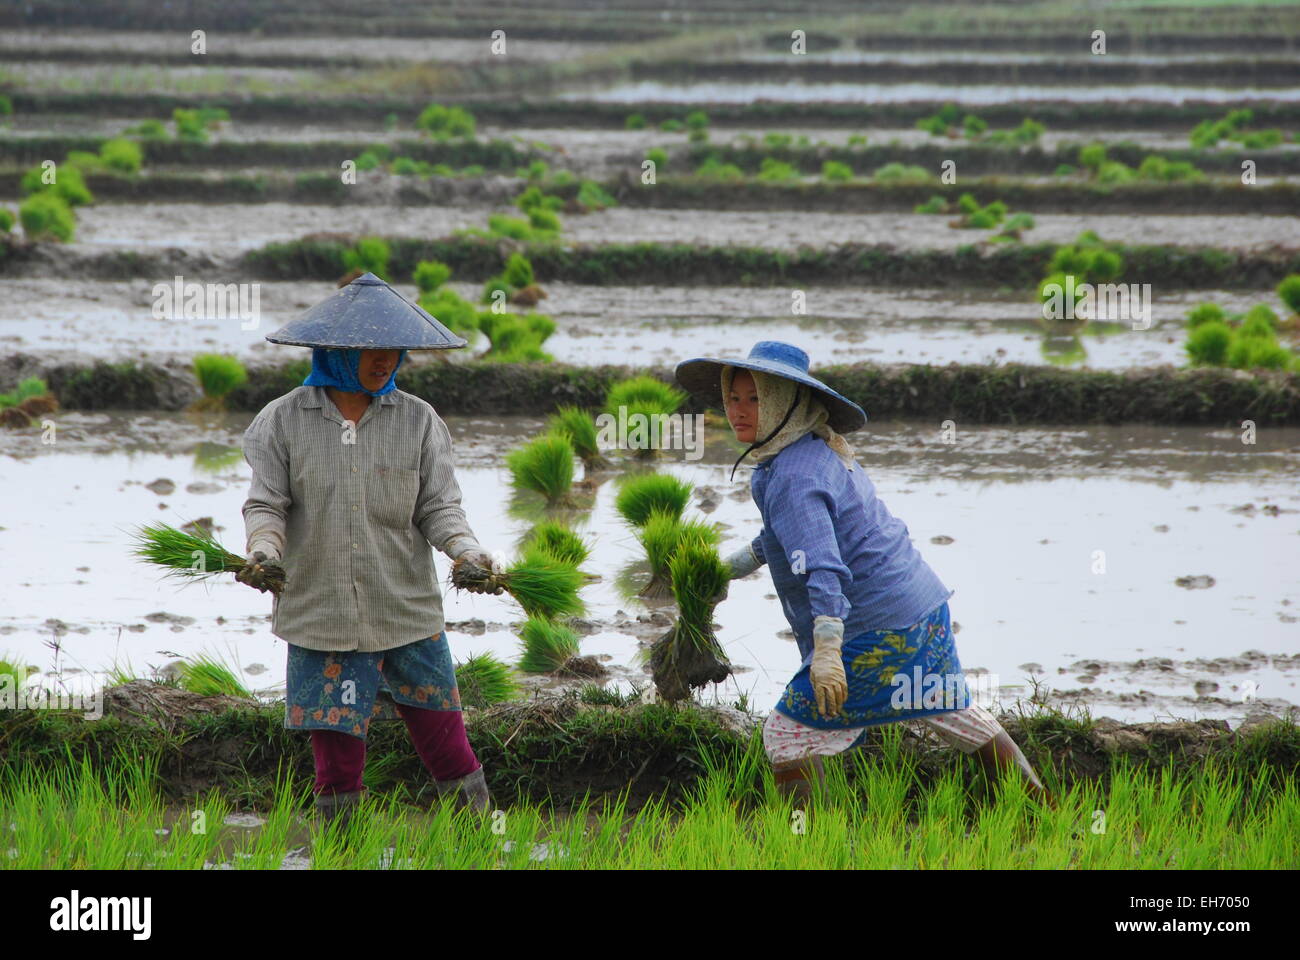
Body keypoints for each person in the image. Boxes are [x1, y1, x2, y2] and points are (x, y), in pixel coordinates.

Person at [674, 341, 1049, 805]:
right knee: (956, 715)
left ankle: (809, 846)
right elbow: (805, 533)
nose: (740, 411)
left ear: (786, 403)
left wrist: (829, 650)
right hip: (923, 614)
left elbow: (822, 563)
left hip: (874, 631)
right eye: (734, 398)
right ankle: (1044, 814)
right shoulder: (810, 451)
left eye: (755, 399)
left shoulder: (794, 474)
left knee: (787, 737)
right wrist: (733, 566)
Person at [237, 272, 504, 829]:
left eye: (393, 349)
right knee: (337, 767)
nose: (386, 360)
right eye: (371, 349)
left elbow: (439, 508)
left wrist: (467, 552)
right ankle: (342, 853)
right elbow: (266, 505)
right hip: (322, 614)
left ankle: (481, 845)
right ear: (334, 350)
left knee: (448, 746)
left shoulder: (418, 420)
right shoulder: (282, 421)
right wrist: (263, 552)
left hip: (405, 611)